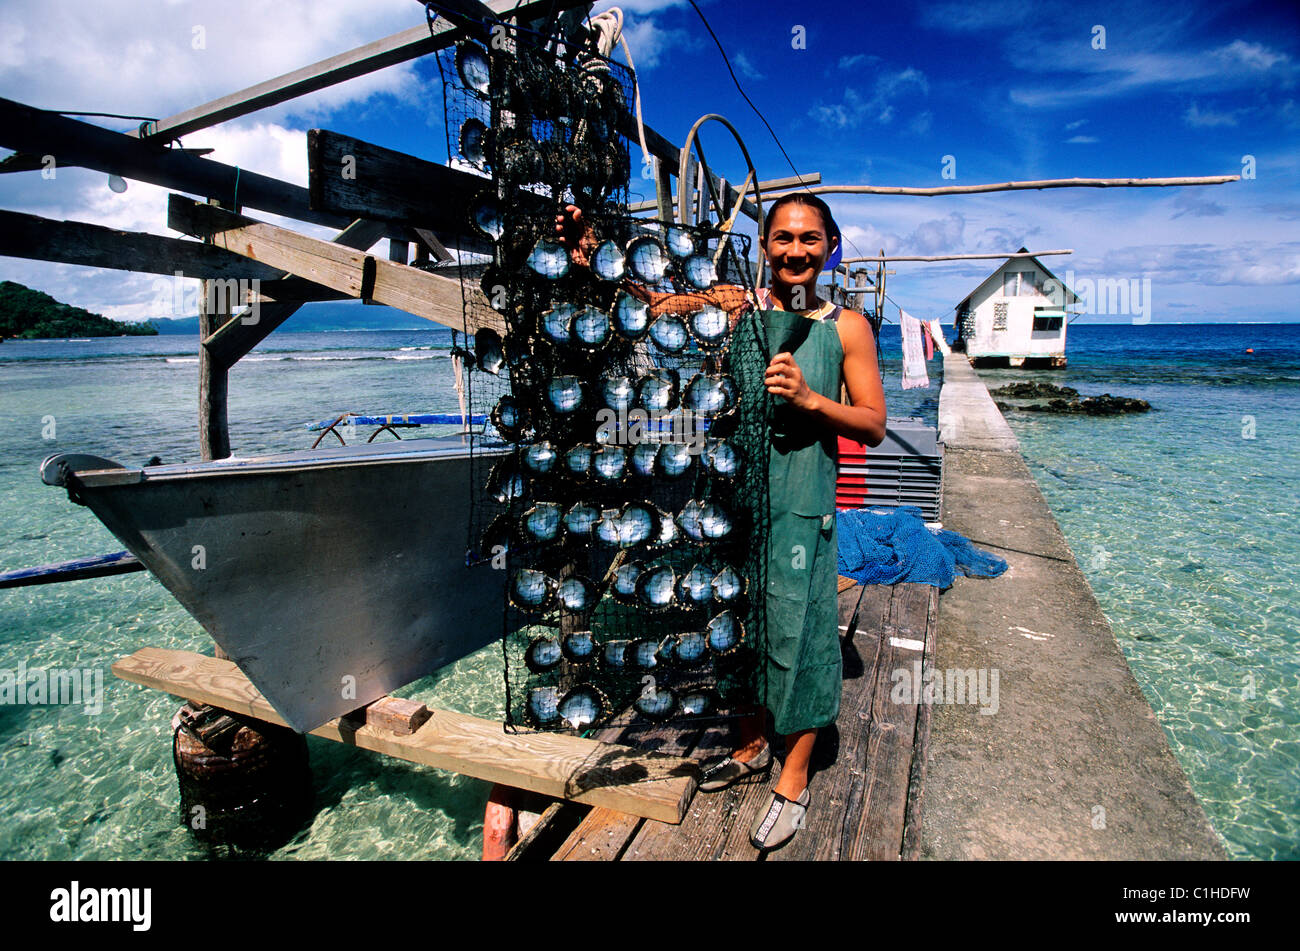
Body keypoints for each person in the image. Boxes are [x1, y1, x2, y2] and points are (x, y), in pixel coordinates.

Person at [555, 194, 886, 850]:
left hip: (801, 506)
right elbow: (646, 303)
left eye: (810, 239)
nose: (796, 251)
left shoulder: (848, 327)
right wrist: (591, 253)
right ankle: (751, 741)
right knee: (734, 629)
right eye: (783, 238)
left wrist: (814, 399)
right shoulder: (737, 305)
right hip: (731, 501)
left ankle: (794, 774)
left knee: (801, 631)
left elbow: (873, 422)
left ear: (830, 246)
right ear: (765, 246)